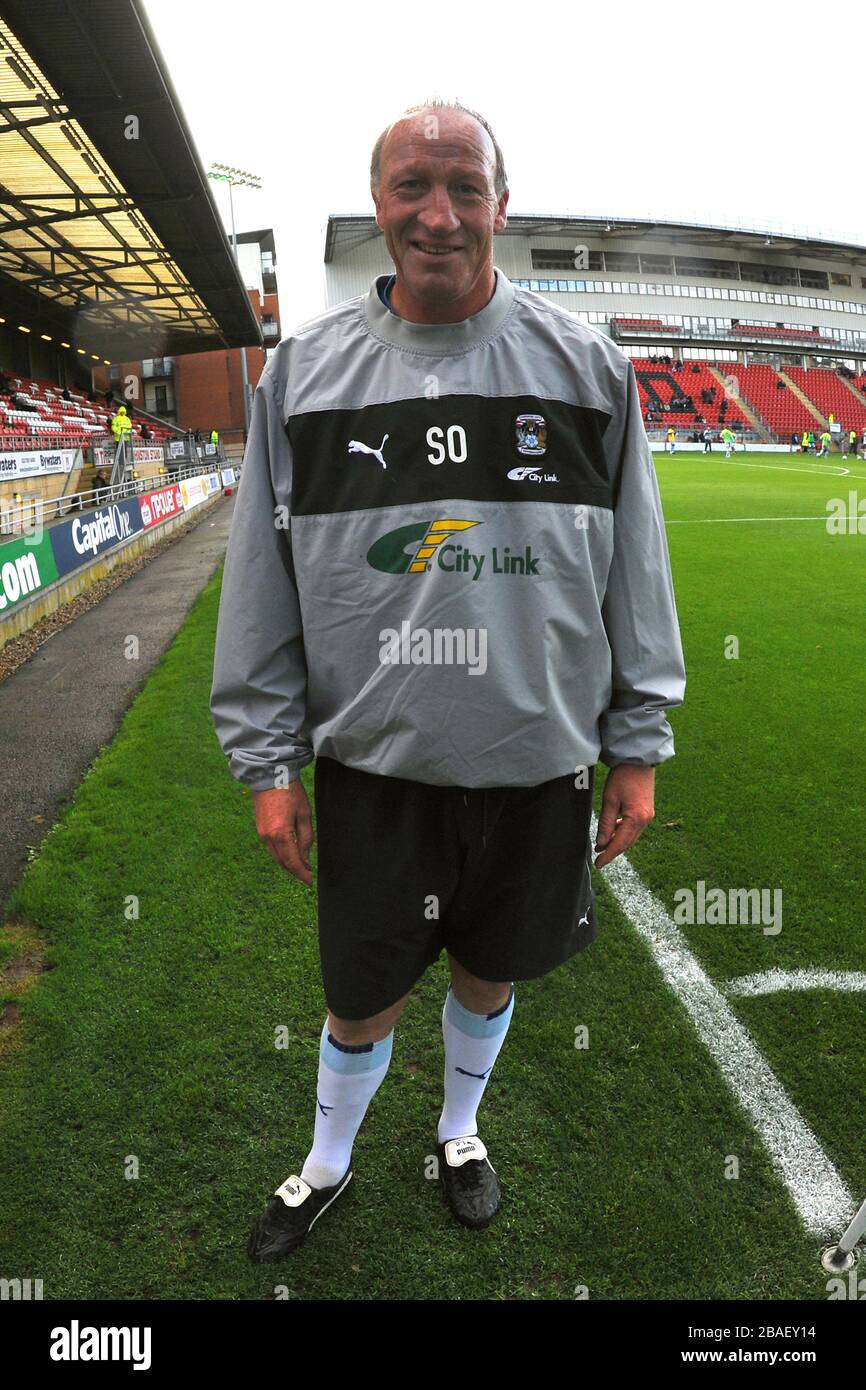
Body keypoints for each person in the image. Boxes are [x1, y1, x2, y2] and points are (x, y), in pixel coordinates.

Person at [210, 99, 686, 1262]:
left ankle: (457, 1133)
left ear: (498, 206)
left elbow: (636, 569)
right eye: (412, 185)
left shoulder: (586, 369)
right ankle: (325, 1164)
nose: (438, 212)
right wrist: (268, 760)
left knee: (488, 972)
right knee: (358, 995)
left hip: (537, 765)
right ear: (376, 207)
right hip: (376, 770)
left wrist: (636, 742)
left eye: (462, 187)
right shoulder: (304, 377)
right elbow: (261, 589)